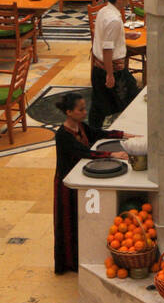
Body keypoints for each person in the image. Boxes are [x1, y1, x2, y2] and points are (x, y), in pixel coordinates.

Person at [52, 92, 134, 274]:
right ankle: (69, 264)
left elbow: (98, 134)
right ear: (69, 112)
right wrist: (112, 154)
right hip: (66, 185)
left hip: (78, 179)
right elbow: (84, 152)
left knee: (80, 222)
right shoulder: (63, 135)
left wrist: (125, 135)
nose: (84, 112)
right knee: (68, 223)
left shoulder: (80, 127)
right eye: (80, 109)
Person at [89, 0, 140, 132]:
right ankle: (128, 132)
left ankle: (93, 134)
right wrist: (110, 75)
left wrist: (125, 36)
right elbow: (107, 49)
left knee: (99, 106)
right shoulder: (114, 20)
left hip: (99, 69)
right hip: (113, 71)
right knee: (130, 100)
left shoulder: (104, 11)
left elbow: (107, 37)